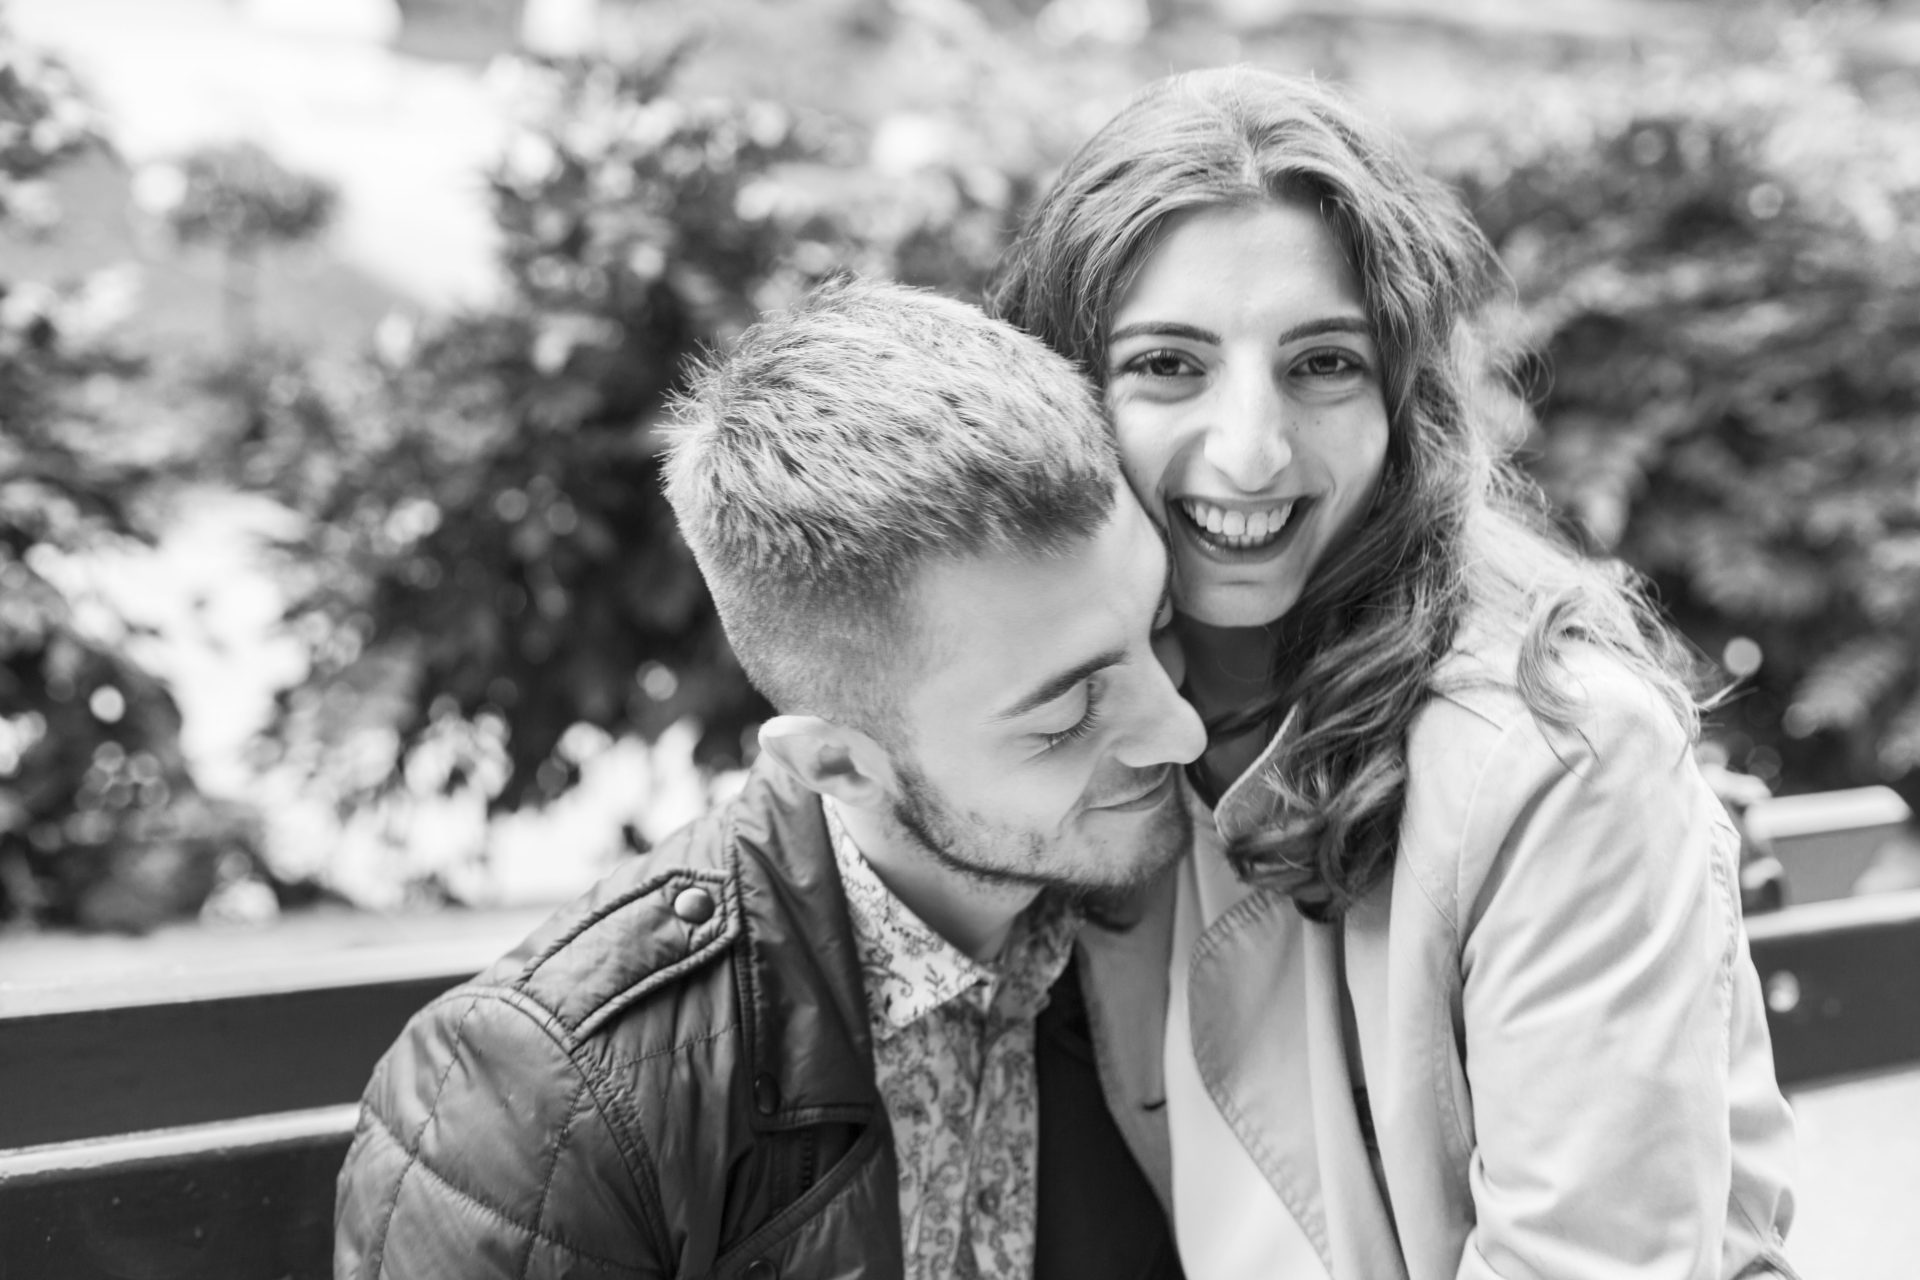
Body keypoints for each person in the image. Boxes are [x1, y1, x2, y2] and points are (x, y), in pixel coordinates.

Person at [993, 67, 1800, 1279]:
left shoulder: (1558, 757)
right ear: (1065, 391)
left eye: (1324, 363)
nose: (1252, 451)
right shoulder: (1056, 722)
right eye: (1168, 365)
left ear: (1403, 394)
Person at [332, 278, 1202, 1280]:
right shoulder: (547, 1104)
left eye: (1162, 622)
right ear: (838, 764)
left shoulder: (1176, 916)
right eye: (1063, 716)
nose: (1176, 728)